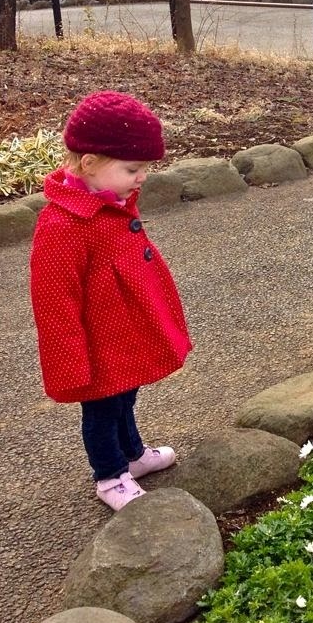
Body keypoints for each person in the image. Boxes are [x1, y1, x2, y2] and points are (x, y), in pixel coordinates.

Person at [29, 91, 192, 511]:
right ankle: (109, 475)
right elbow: (54, 299)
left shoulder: (110, 204)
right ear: (89, 164)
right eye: (132, 169)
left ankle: (132, 455)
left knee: (125, 397)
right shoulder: (64, 224)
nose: (141, 178)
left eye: (144, 169)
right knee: (101, 411)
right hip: (96, 343)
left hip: (124, 334)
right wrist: (69, 360)